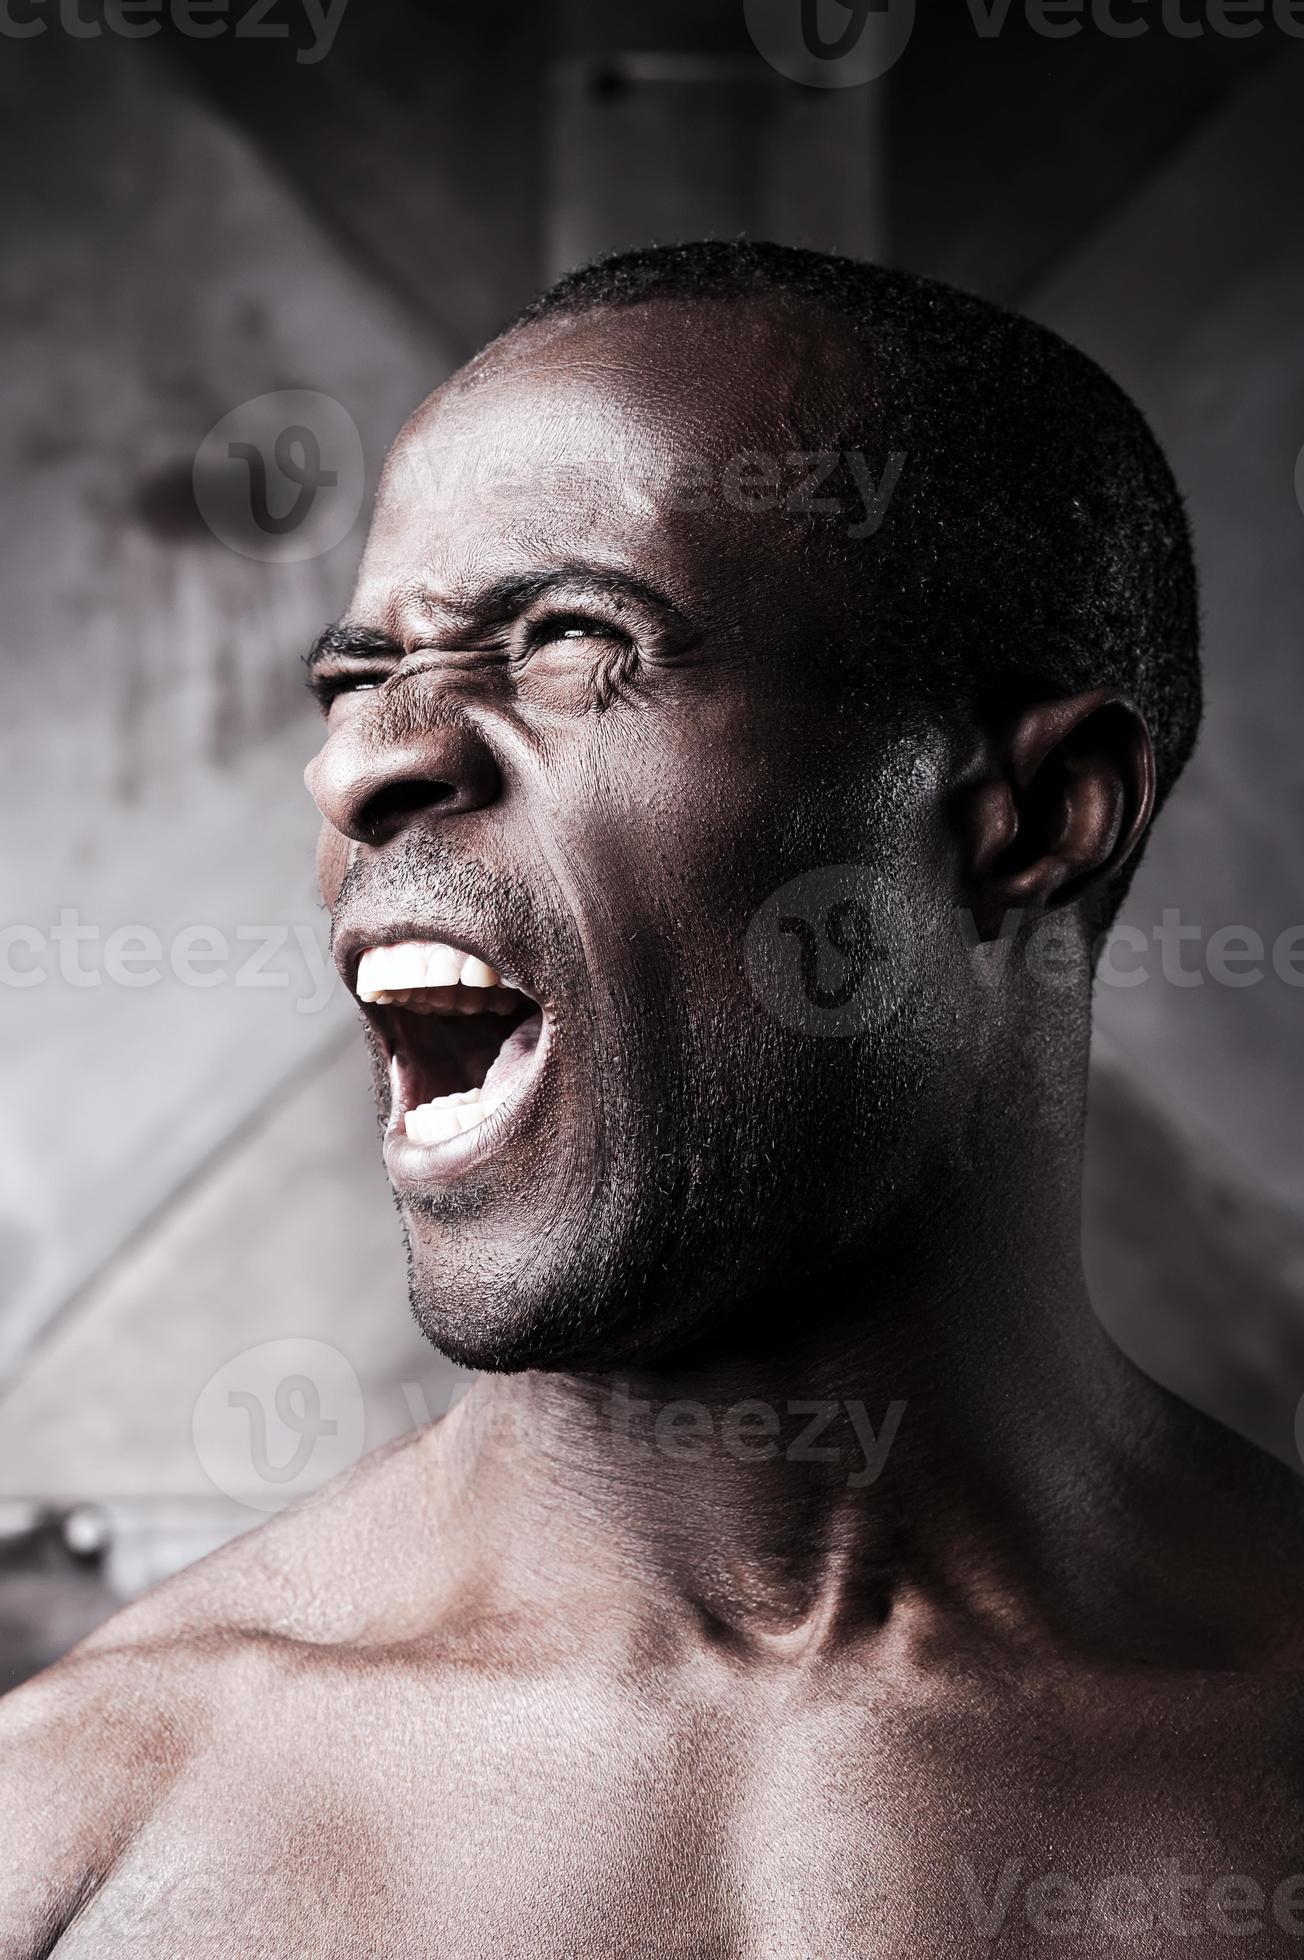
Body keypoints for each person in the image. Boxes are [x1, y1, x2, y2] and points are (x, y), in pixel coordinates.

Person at [5, 241, 1303, 1958]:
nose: (364, 758)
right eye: (356, 676)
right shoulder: (79, 1830)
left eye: (566, 638)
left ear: (1041, 815)